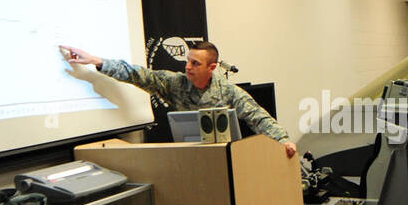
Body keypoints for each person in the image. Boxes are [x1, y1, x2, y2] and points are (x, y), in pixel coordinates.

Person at [59, 41, 298, 158]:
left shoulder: (228, 92)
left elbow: (258, 117)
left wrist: (284, 141)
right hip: (189, 158)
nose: (188, 67)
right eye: (188, 61)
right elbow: (137, 74)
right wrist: (96, 61)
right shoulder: (174, 83)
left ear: (212, 67)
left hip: (225, 160)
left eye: (196, 63)